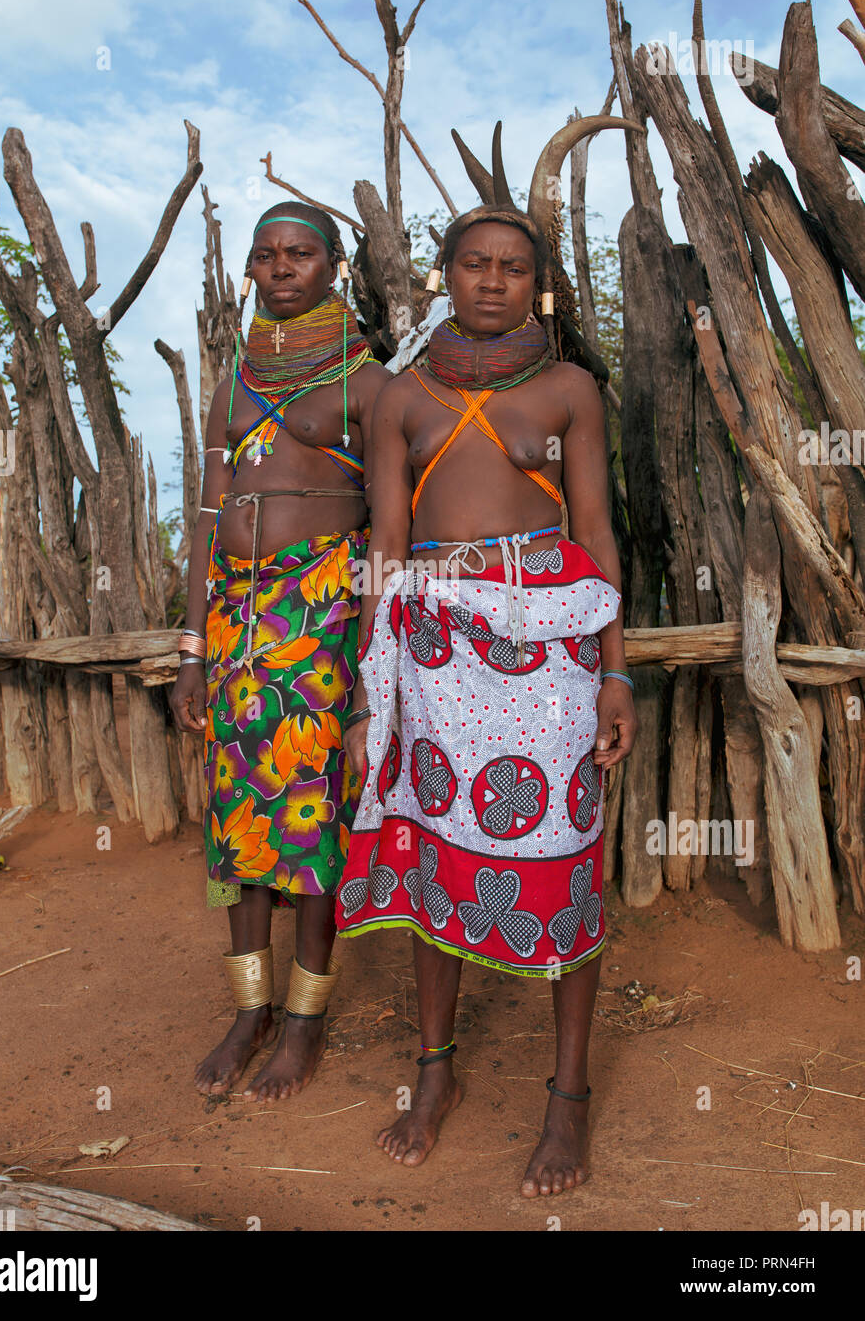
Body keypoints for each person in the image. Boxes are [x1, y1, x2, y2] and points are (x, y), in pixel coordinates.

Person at [338, 203, 637, 1195]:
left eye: (513, 267)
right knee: (434, 853)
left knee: (561, 856)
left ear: (535, 284)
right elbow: (383, 545)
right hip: (429, 653)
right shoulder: (399, 398)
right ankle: (433, 1072)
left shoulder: (567, 392)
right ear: (446, 276)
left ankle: (569, 1094)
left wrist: (616, 671)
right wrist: (363, 698)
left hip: (547, 649)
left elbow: (592, 527)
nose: (494, 281)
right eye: (475, 264)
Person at [172, 201, 389, 1102]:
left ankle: (303, 1023)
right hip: (236, 617)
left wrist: (372, 671)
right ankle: (249, 1008)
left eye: (300, 253)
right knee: (236, 824)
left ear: (335, 264)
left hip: (319, 612)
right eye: (265, 256)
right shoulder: (232, 383)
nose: (281, 268)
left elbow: (388, 530)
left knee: (306, 824)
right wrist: (190, 649)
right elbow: (209, 517)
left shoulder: (369, 383)